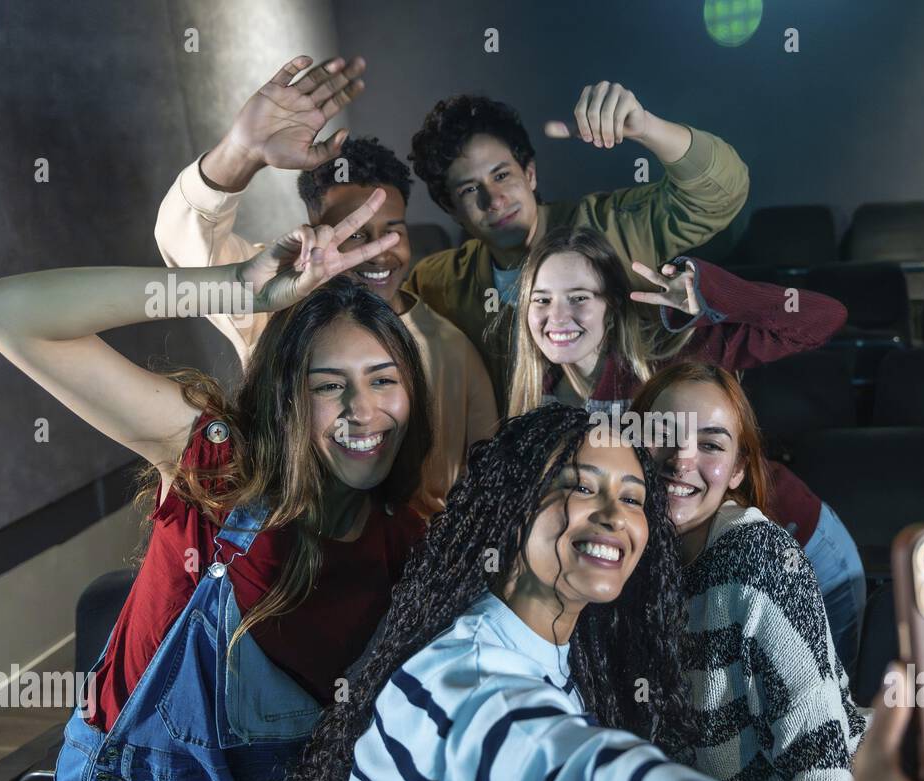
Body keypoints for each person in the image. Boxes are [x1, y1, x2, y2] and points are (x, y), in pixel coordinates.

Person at [286, 404, 924, 781]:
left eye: (633, 497)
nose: (613, 515)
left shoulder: (571, 654)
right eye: (578, 489)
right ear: (507, 511)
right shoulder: (453, 684)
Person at [0, 190, 432, 781]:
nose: (362, 410)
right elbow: (11, 315)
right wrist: (229, 287)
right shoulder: (223, 467)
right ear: (287, 397)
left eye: (382, 380)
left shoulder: (408, 539)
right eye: (328, 385)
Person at [507, 226, 867, 671]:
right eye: (541, 299)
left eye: (579, 297)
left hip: (800, 550)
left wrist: (714, 294)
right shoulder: (539, 398)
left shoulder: (673, 353)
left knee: (824, 698)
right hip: (689, 574)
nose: (557, 316)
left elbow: (823, 317)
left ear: (613, 304)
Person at [155, 54, 495, 514]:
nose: (377, 252)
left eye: (392, 231)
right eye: (353, 233)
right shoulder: (275, 303)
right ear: (313, 229)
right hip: (290, 545)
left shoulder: (450, 346)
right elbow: (185, 244)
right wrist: (240, 152)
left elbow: (488, 472)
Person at [405, 83, 749, 406]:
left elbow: (718, 196)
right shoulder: (441, 282)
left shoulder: (611, 226)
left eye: (502, 175)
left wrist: (647, 128)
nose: (493, 199)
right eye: (469, 189)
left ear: (529, 174)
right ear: (451, 209)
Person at [632, 363, 862, 781]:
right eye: (663, 434)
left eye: (710, 445)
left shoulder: (758, 557)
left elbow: (822, 766)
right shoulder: (628, 555)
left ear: (738, 469)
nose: (681, 460)